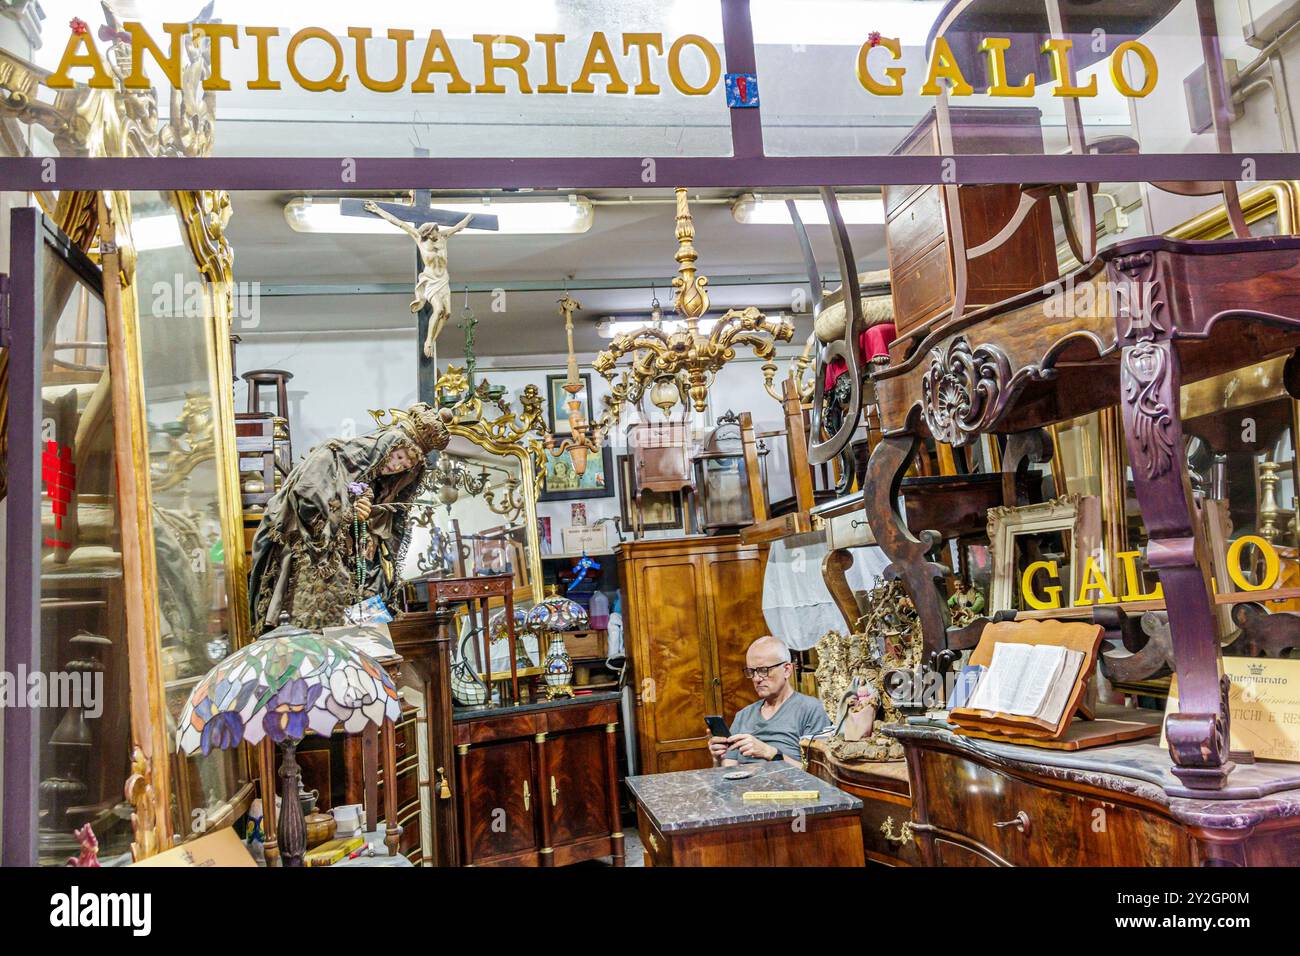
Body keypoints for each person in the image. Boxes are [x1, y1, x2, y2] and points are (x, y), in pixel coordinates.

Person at [248, 402, 450, 632]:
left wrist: (371, 522)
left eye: (407, 464)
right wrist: (348, 513)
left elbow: (381, 529)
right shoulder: (332, 455)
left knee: (366, 629)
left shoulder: (380, 486)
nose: (399, 466)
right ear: (386, 446)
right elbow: (307, 497)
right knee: (317, 628)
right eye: (400, 456)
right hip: (315, 564)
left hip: (357, 573)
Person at [709, 635, 832, 767]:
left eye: (763, 670)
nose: (756, 678)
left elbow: (818, 773)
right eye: (752, 671)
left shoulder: (811, 710)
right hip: (745, 786)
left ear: (787, 670)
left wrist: (770, 753)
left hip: (789, 786)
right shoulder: (743, 715)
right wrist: (717, 760)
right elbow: (729, 772)